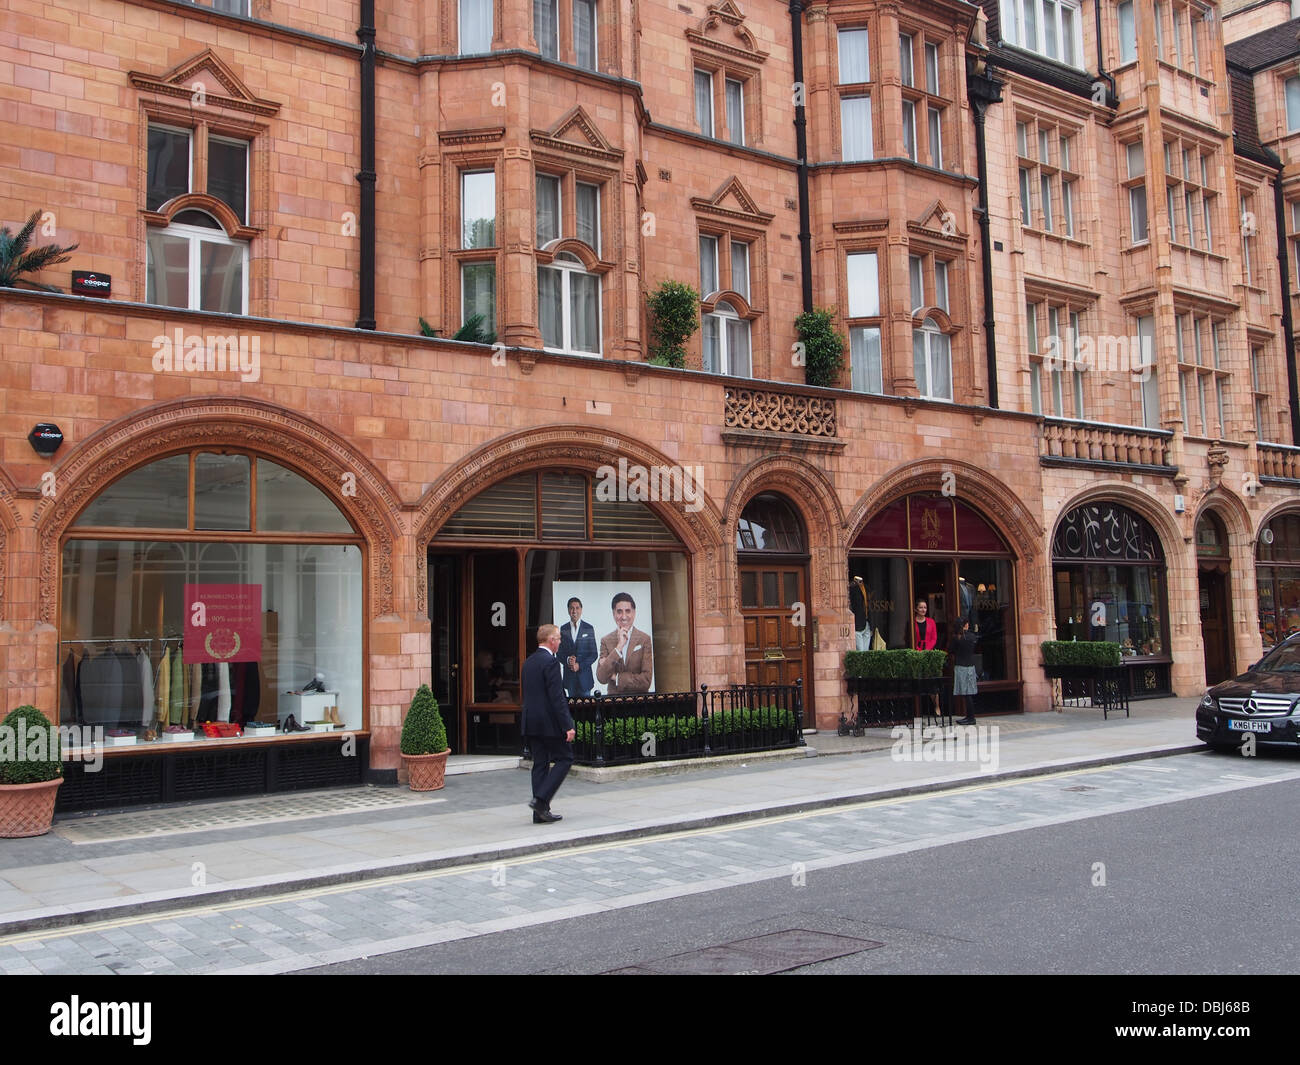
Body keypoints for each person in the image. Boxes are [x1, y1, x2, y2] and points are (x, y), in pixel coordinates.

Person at [520, 624, 574, 824]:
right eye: (558, 638)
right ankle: (541, 800)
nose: (560, 642)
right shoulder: (551, 663)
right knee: (565, 758)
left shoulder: (529, 662)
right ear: (551, 641)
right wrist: (567, 725)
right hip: (548, 723)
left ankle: (539, 814)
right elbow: (557, 698)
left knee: (540, 764)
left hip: (530, 721)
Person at [595, 592, 654, 693]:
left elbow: (646, 681)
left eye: (628, 611)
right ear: (613, 613)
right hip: (613, 703)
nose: (624, 616)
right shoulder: (606, 640)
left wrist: (616, 678)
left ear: (634, 613)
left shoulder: (644, 639)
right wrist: (619, 647)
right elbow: (601, 677)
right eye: (619, 612)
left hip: (639, 702)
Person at [557, 596, 598, 698]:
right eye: (571, 608)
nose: (574, 611)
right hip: (570, 679)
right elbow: (559, 653)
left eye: (577, 608)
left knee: (587, 712)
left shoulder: (588, 628)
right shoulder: (563, 629)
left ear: (581, 609)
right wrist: (567, 660)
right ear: (568, 610)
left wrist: (579, 665)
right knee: (572, 711)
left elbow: (594, 654)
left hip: (585, 679)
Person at [950, 616, 979, 725]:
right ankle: (970, 716)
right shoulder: (972, 636)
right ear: (965, 625)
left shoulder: (957, 638)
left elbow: (951, 650)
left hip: (961, 666)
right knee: (969, 693)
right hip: (971, 666)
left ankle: (970, 717)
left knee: (966, 694)